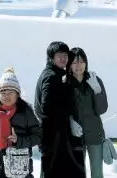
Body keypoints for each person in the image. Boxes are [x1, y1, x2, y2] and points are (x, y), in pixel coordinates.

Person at [34, 41, 85, 178]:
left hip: (51, 135)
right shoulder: (51, 77)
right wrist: (68, 118)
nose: (63, 59)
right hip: (53, 136)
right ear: (51, 57)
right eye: (59, 55)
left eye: (65, 55)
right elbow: (47, 108)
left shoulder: (54, 74)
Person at [0, 67, 42, 178]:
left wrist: (19, 140)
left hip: (19, 170)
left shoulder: (26, 112)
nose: (6, 95)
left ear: (17, 94)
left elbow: (38, 136)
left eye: (11, 92)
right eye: (3, 92)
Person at [68, 47, 109, 178]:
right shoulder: (64, 83)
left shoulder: (94, 79)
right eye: (74, 62)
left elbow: (102, 109)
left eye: (81, 62)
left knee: (97, 173)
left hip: (94, 134)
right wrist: (69, 121)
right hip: (74, 137)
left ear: (86, 63)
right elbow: (60, 109)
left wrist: (97, 91)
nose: (78, 66)